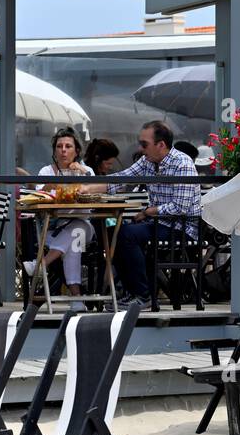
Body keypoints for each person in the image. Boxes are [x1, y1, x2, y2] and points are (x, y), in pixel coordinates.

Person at [93, 119, 199, 306]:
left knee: (125, 234)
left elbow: (180, 208)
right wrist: (87, 187)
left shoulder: (183, 163)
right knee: (111, 234)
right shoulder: (148, 161)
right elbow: (122, 178)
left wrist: (149, 212)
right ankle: (131, 291)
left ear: (161, 145)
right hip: (159, 223)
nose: (141, 148)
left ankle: (143, 295)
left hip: (182, 227)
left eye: (144, 144)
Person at [30, 128, 94, 311]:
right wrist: (52, 182)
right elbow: (38, 194)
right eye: (59, 146)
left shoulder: (86, 170)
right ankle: (76, 298)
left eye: (68, 146)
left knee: (79, 226)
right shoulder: (46, 171)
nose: (63, 150)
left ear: (77, 151)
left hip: (85, 227)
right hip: (54, 231)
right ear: (54, 151)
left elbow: (96, 189)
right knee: (74, 239)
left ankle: (40, 264)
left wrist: (82, 171)